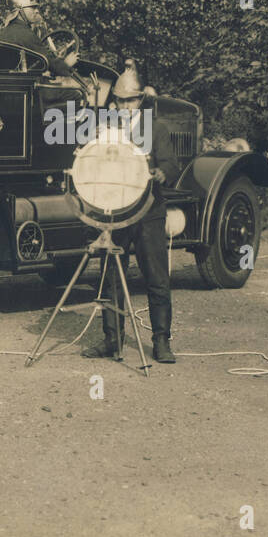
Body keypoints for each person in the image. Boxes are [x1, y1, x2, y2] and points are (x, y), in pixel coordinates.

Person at [94, 59, 181, 364]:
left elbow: (172, 164)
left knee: (156, 277)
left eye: (130, 100)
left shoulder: (155, 128)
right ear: (114, 102)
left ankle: (161, 342)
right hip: (115, 213)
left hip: (148, 212)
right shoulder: (106, 130)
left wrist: (161, 173)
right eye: (119, 101)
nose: (124, 106)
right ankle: (112, 341)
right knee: (111, 278)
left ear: (140, 101)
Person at [0, 0, 77, 78]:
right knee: (74, 93)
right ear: (20, 10)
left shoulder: (5, 32)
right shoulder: (25, 34)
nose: (37, 11)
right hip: (25, 86)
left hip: (15, 83)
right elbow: (51, 63)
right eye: (32, 7)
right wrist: (66, 64)